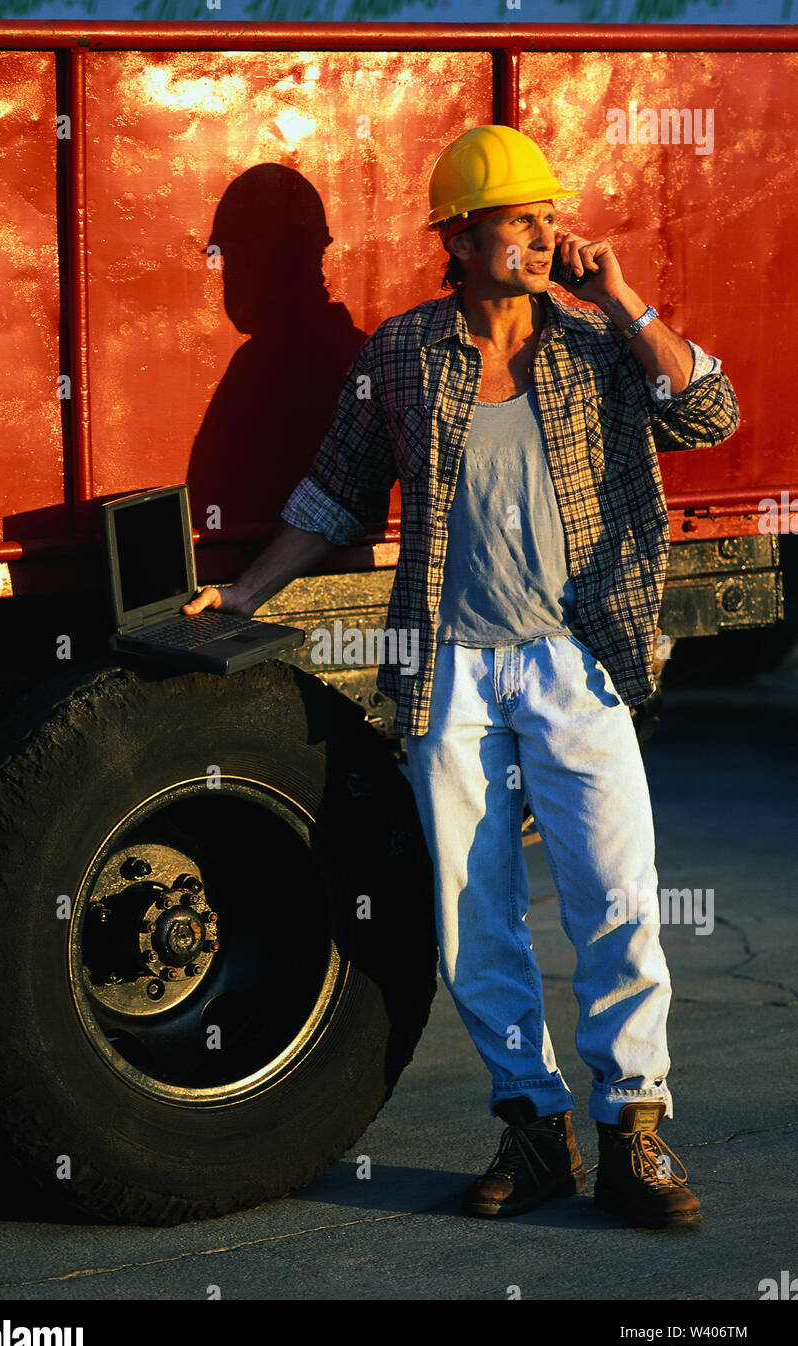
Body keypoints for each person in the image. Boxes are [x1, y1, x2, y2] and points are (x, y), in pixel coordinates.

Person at [183, 125, 739, 1229]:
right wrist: (247, 590)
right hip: (453, 673)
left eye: (545, 218)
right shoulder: (397, 355)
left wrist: (621, 295)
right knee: (468, 917)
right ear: (459, 234)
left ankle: (635, 1130)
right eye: (516, 220)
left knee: (615, 898)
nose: (539, 235)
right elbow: (332, 494)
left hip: (575, 662)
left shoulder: (591, 346)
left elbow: (708, 412)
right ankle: (533, 1128)